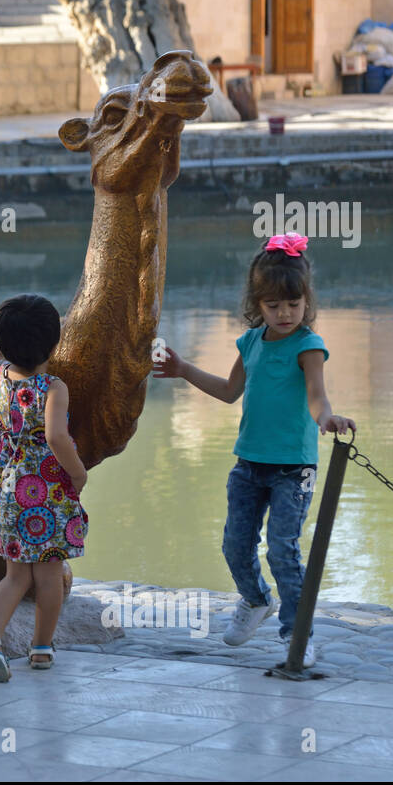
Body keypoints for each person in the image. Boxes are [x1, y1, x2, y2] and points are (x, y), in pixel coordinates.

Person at [152, 233, 356, 668]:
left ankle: (296, 634)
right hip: (249, 464)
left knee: (283, 549)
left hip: (293, 469)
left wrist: (328, 420)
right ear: (257, 303)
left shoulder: (308, 346)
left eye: (293, 305)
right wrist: (184, 369)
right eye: (273, 305)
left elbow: (317, 397)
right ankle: (254, 598)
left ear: (306, 302)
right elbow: (229, 392)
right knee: (234, 545)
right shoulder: (250, 342)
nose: (284, 314)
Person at [0, 294, 88, 682]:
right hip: (43, 485)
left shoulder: (2, 375)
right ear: (54, 342)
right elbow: (55, 436)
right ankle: (41, 649)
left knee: (16, 574)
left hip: (5, 479)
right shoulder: (54, 388)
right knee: (49, 574)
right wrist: (78, 472)